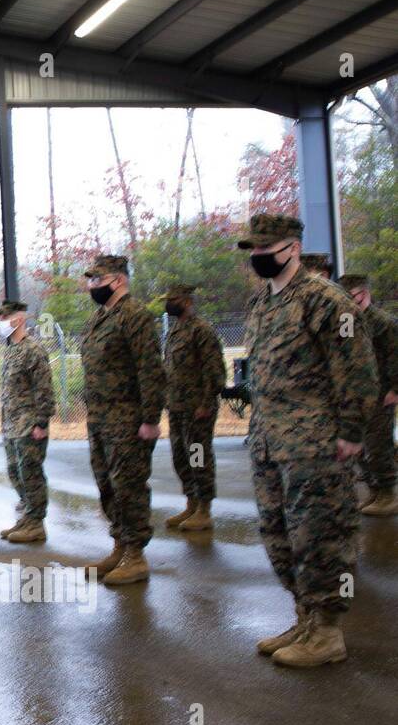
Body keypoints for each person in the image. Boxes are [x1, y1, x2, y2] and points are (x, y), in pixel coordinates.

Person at [240, 216, 377, 667]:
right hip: (269, 441)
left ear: (293, 248)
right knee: (278, 535)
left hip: (314, 444)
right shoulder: (262, 301)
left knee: (320, 536)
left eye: (266, 249)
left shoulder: (326, 301)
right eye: (253, 251)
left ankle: (327, 631)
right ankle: (304, 616)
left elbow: (357, 371)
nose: (258, 257)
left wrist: (352, 434)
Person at [80, 255, 165, 585]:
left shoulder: (135, 316)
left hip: (128, 418)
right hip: (100, 418)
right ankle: (119, 545)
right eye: (90, 281)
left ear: (118, 280)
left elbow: (149, 369)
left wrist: (150, 418)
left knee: (128, 485)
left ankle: (136, 554)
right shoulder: (98, 319)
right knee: (107, 485)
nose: (92, 286)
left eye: (97, 280)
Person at [162, 284, 226, 533]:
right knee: (180, 457)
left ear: (188, 302)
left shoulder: (201, 330)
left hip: (198, 408)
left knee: (198, 456)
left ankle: (204, 509)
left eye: (174, 299)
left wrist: (207, 403)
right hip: (177, 407)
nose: (169, 303)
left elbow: (215, 370)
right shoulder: (176, 331)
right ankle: (191, 503)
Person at [338, 273, 398, 517]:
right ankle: (374, 490)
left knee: (378, 444)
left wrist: (396, 389)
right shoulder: (348, 322)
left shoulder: (384, 323)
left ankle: (387, 493)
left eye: (351, 297)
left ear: (364, 294)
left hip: (381, 393)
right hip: (356, 394)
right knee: (359, 445)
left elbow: (395, 357)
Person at [0, 300, 53, 543]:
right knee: (15, 471)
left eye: (4, 318)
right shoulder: (11, 349)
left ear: (17, 320)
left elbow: (44, 389)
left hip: (29, 424)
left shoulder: (33, 350)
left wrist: (41, 422)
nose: (0, 323)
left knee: (30, 472)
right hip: (11, 425)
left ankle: (37, 523)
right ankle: (28, 517)